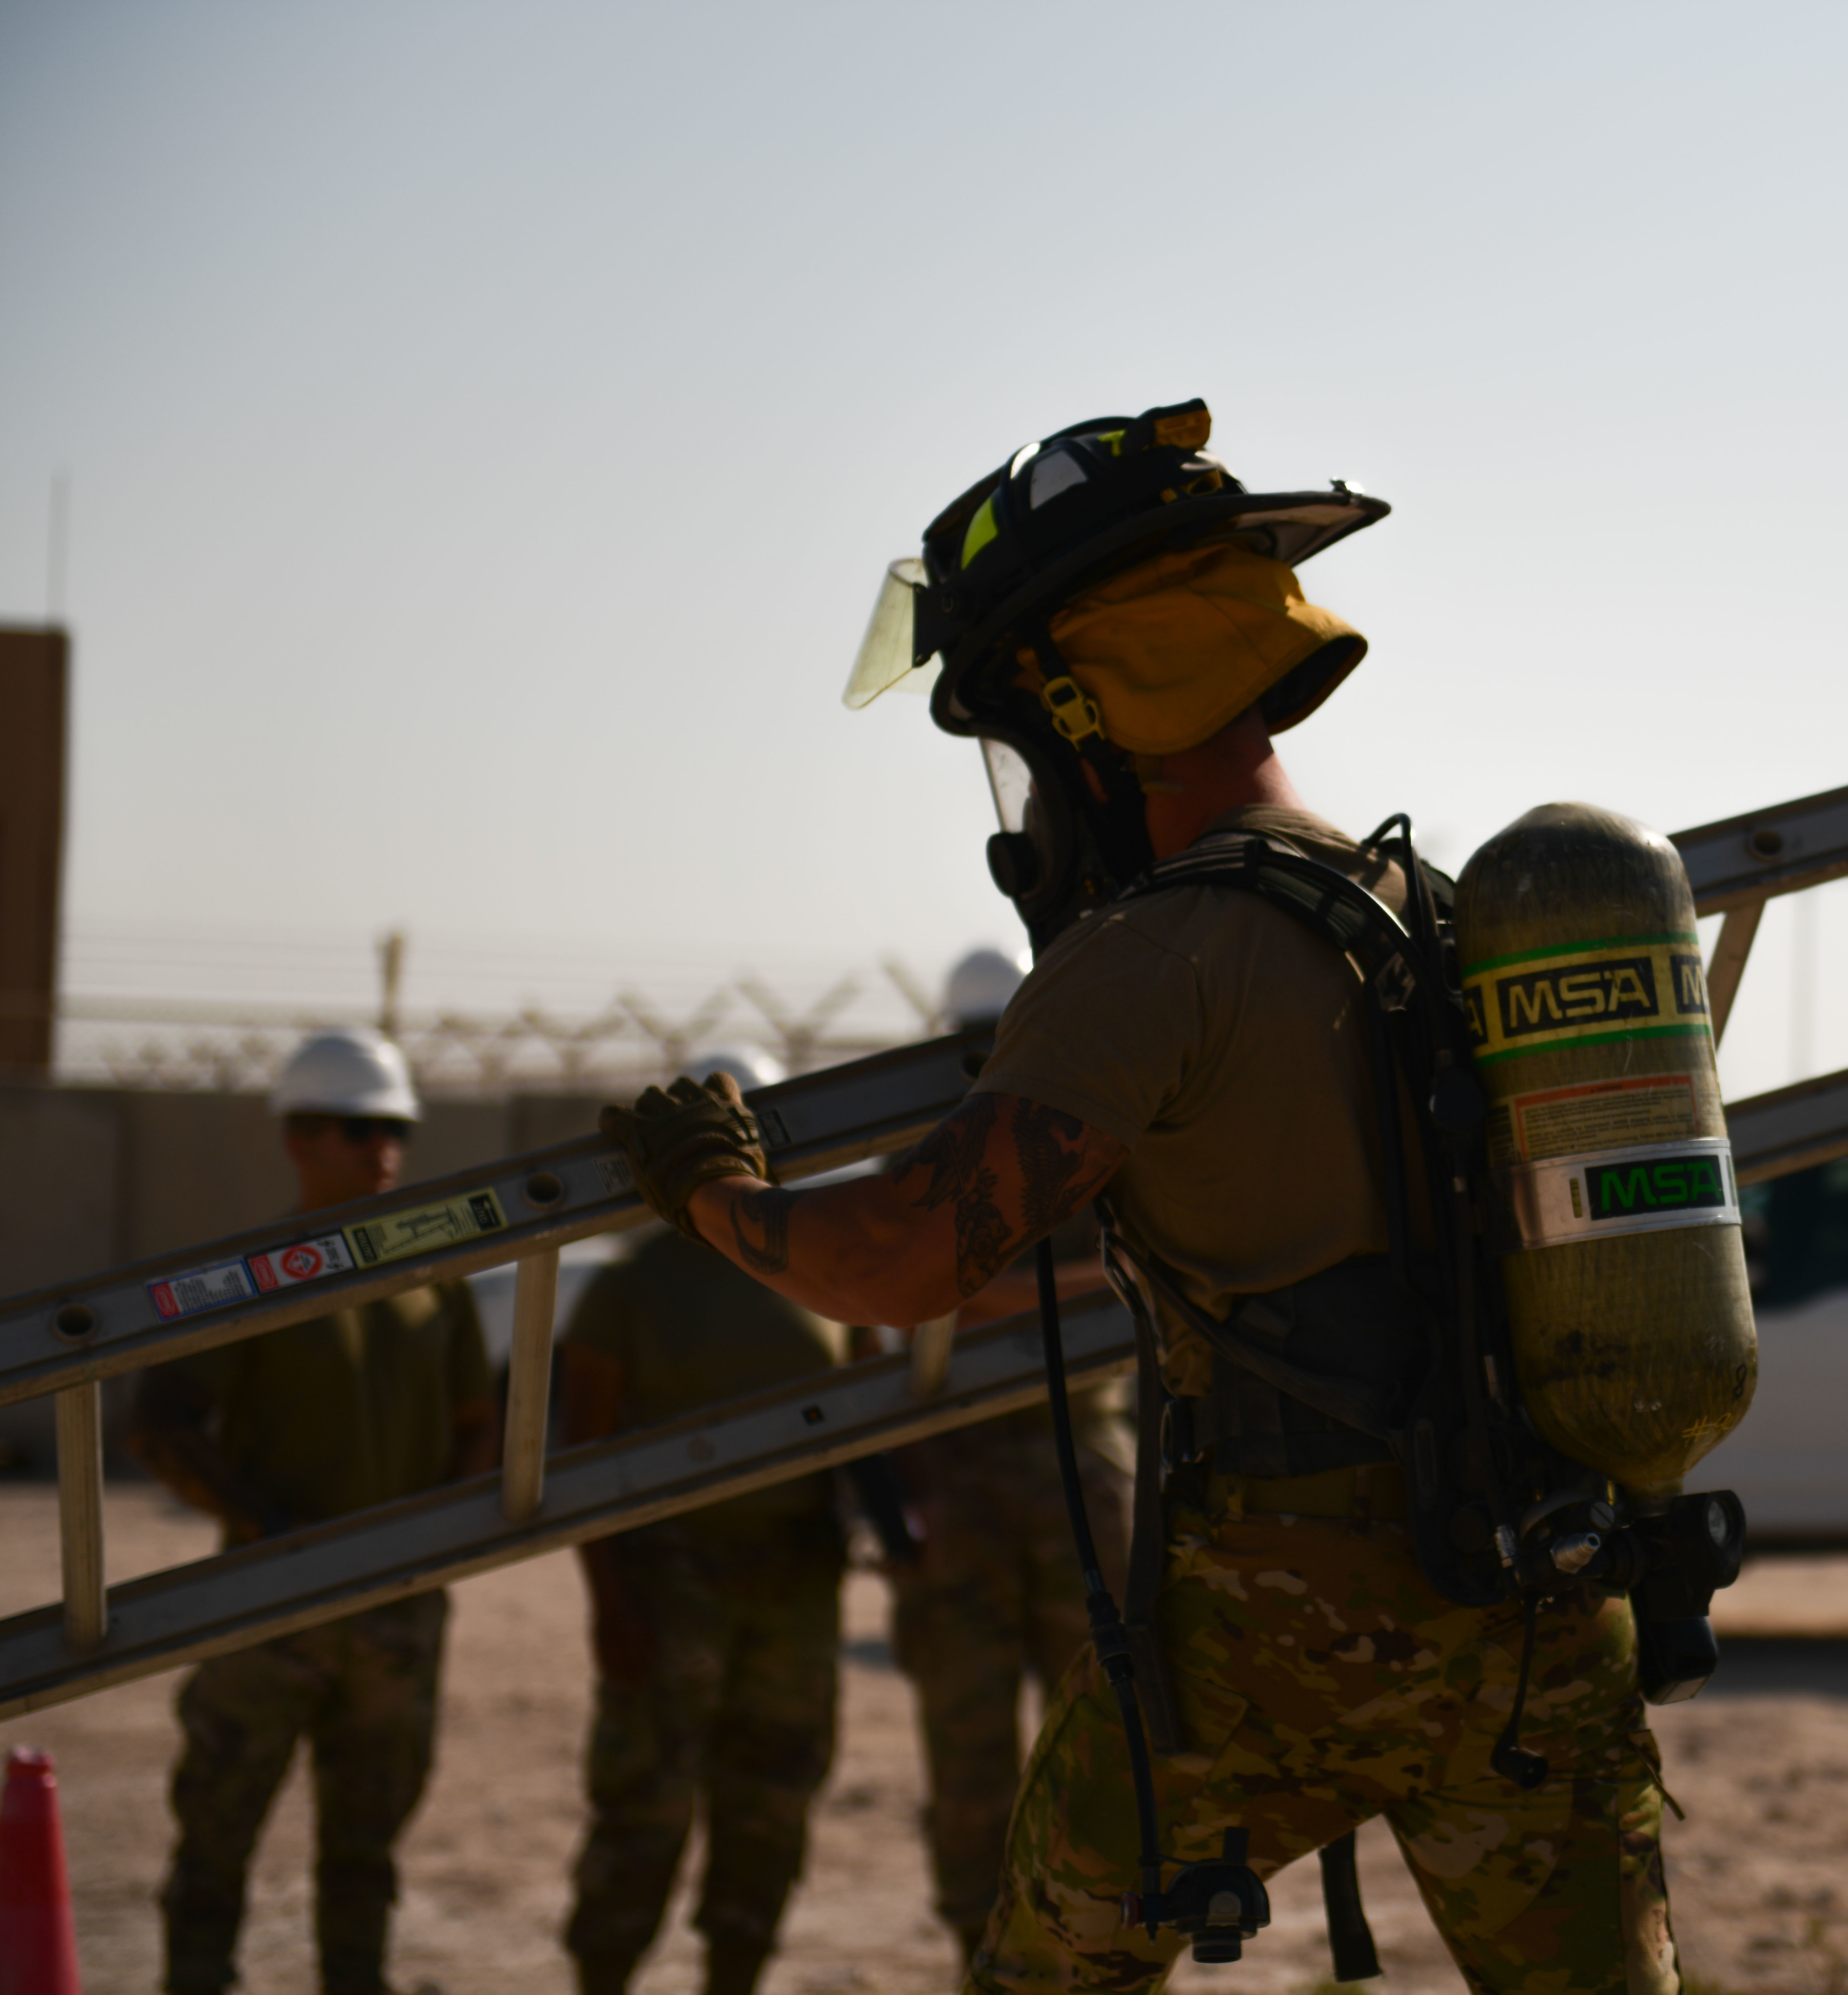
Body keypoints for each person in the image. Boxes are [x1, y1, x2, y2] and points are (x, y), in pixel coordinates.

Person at [602, 399, 1681, 1992]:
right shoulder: (1432, 908)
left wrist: (710, 1188)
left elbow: (898, 1259)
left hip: (1274, 1635)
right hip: (1538, 1589)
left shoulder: (1152, 956)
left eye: (1023, 745)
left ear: (1083, 716)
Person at [130, 1028, 497, 1995]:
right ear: (299, 1136)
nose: (384, 1149)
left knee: (365, 1854)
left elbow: (479, 1421)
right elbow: (161, 1422)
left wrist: (440, 1531)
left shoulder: (432, 1271)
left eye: (396, 1130)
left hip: (396, 1613)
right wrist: (265, 1529)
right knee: (216, 1837)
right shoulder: (255, 1273)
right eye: (358, 1128)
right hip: (269, 1611)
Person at [557, 1047, 848, 1995]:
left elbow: (874, 1410)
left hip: (797, 1580)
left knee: (772, 1804)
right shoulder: (631, 1285)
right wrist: (609, 1601)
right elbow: (586, 1455)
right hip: (669, 1580)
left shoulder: (821, 1265)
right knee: (645, 1805)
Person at [877, 954, 1131, 1963]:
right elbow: (930, 1288)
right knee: (971, 1743)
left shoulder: (1097, 1126)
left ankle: (1101, 1958)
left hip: (1076, 1464)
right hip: (973, 1469)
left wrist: (996, 1294)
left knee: (1111, 1738)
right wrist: (1100, 1280)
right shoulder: (917, 1147)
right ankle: (979, 1958)